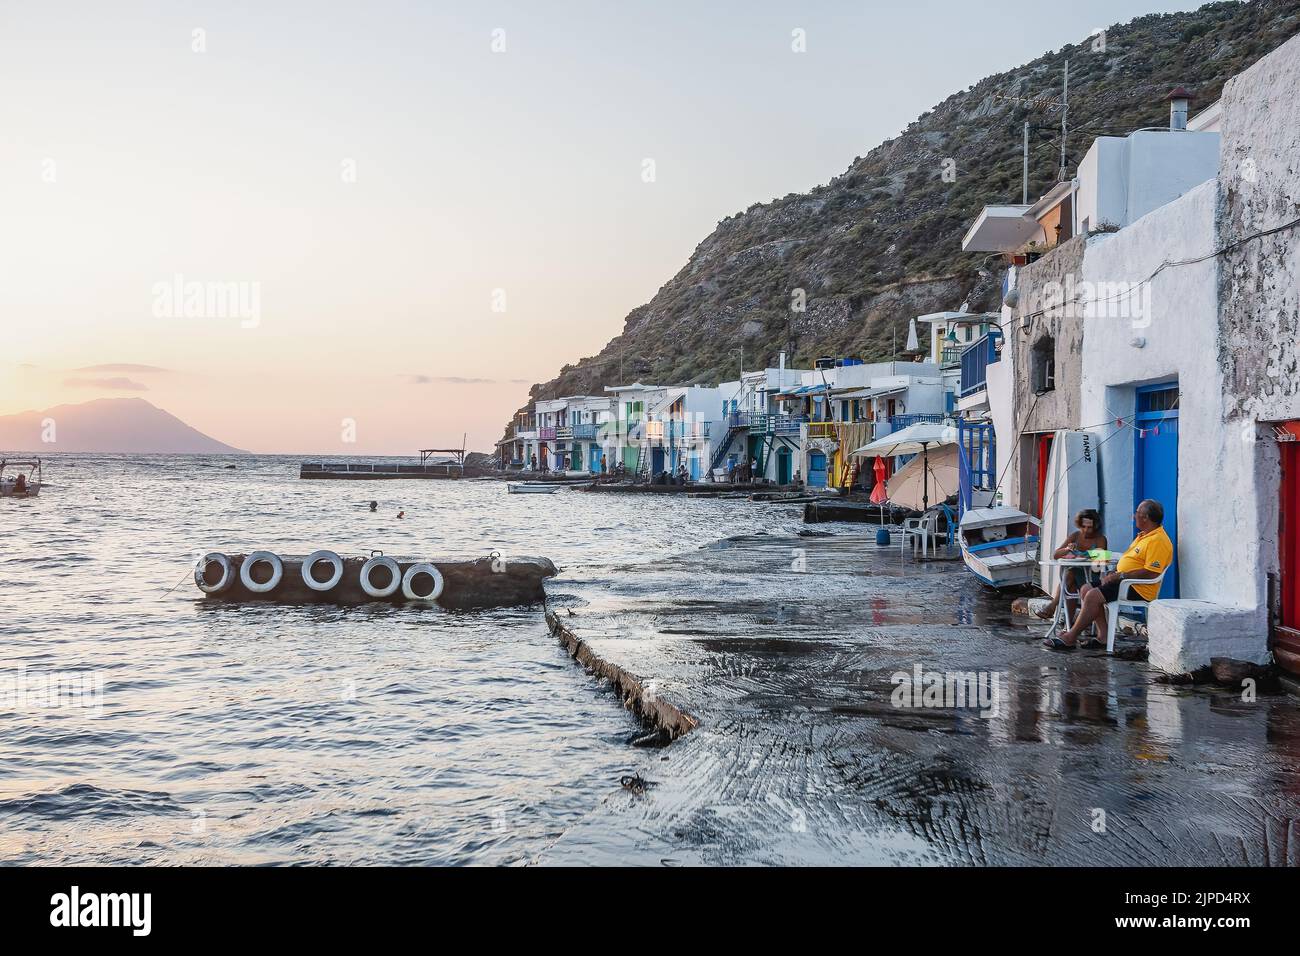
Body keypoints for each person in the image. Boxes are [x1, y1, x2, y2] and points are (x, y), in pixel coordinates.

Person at [1045, 499, 1173, 650]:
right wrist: (1116, 573)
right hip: (1125, 580)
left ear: (1145, 517)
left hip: (1137, 587)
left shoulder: (1158, 540)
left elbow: (1151, 572)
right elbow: (1056, 554)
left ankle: (1070, 637)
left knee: (1092, 595)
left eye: (1137, 513)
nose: (1134, 516)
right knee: (1086, 589)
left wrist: (1120, 576)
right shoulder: (1144, 536)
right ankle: (1103, 636)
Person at [1034, 508, 1107, 621]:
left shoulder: (1100, 538)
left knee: (1069, 575)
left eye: (1089, 527)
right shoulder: (1075, 536)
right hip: (1076, 576)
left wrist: (1085, 555)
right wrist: (1067, 549)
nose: (1086, 530)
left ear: (1095, 526)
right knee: (1070, 580)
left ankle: (1052, 606)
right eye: (1083, 527)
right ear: (1079, 525)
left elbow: (1103, 555)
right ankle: (1069, 624)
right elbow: (1056, 554)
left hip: (1093, 575)